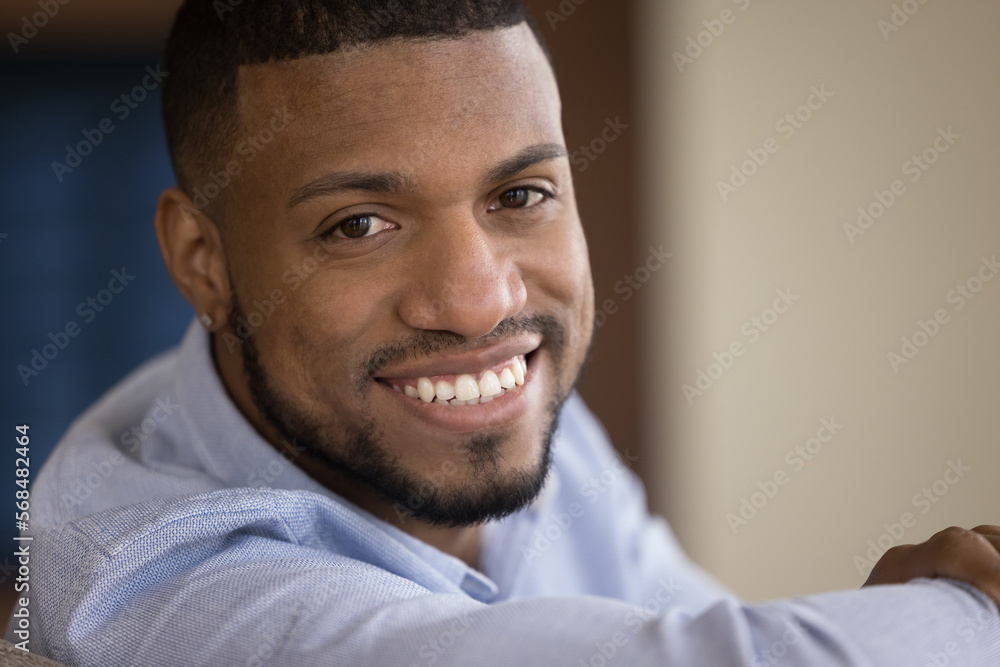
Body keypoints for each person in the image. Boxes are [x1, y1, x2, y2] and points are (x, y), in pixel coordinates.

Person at [10, 1, 1000, 664]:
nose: (479, 305)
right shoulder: (154, 586)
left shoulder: (504, 412)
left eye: (521, 194)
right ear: (202, 262)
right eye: (359, 225)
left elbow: (689, 630)